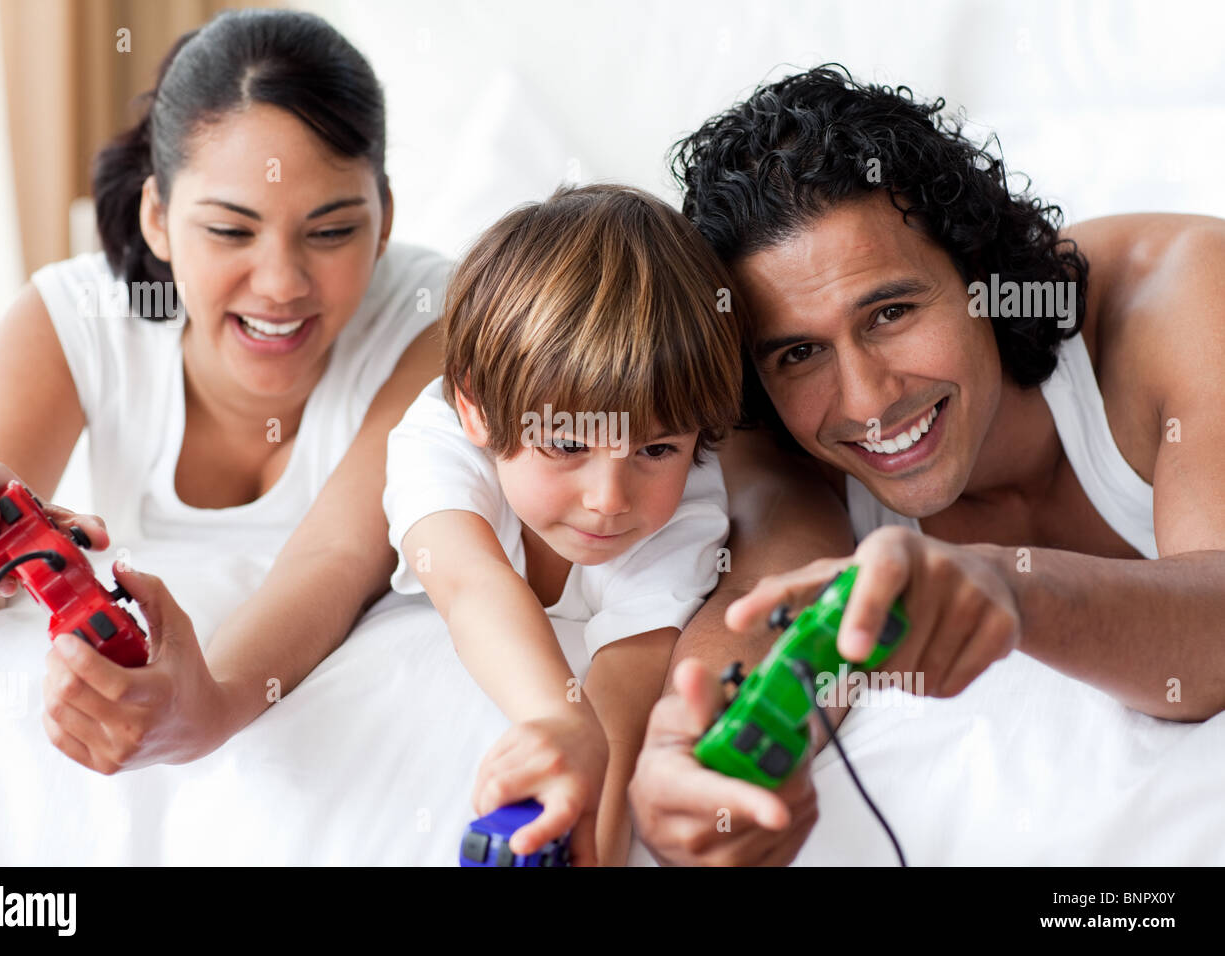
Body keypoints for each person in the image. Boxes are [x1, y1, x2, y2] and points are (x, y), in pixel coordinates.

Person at [629, 64, 1225, 865]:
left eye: (892, 312)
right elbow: (761, 607)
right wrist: (695, 756)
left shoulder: (1183, 294)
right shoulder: (780, 427)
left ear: (979, 269)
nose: (867, 399)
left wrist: (1009, 588)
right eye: (801, 351)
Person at [0, 9, 450, 773]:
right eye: (231, 232)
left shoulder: (437, 317)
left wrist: (214, 701)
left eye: (332, 231)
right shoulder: (70, 317)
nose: (280, 285)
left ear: (385, 217)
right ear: (160, 219)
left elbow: (338, 553)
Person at [382, 185, 743, 864]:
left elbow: (625, 698)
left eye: (656, 449)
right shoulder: (439, 435)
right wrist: (555, 718)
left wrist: (590, 834)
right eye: (568, 446)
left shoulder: (689, 504)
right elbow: (468, 584)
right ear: (477, 408)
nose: (610, 498)